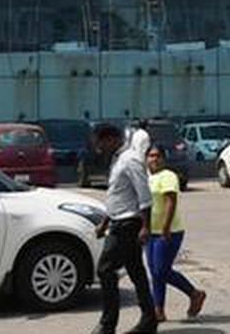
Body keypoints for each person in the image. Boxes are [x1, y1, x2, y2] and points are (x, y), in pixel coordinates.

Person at [91, 124, 157, 334]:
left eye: (100, 143)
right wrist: (104, 223)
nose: (98, 148)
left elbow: (144, 195)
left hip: (128, 224)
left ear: (110, 139)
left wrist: (146, 226)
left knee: (105, 270)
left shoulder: (130, 160)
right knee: (136, 271)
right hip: (118, 222)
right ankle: (149, 320)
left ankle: (108, 324)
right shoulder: (117, 159)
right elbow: (117, 196)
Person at [145, 146, 207, 323]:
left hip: (169, 231)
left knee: (161, 270)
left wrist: (165, 227)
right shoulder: (147, 178)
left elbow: (171, 201)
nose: (154, 159)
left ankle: (194, 293)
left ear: (163, 159)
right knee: (155, 273)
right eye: (150, 156)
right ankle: (159, 310)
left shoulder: (168, 176)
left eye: (157, 156)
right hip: (150, 232)